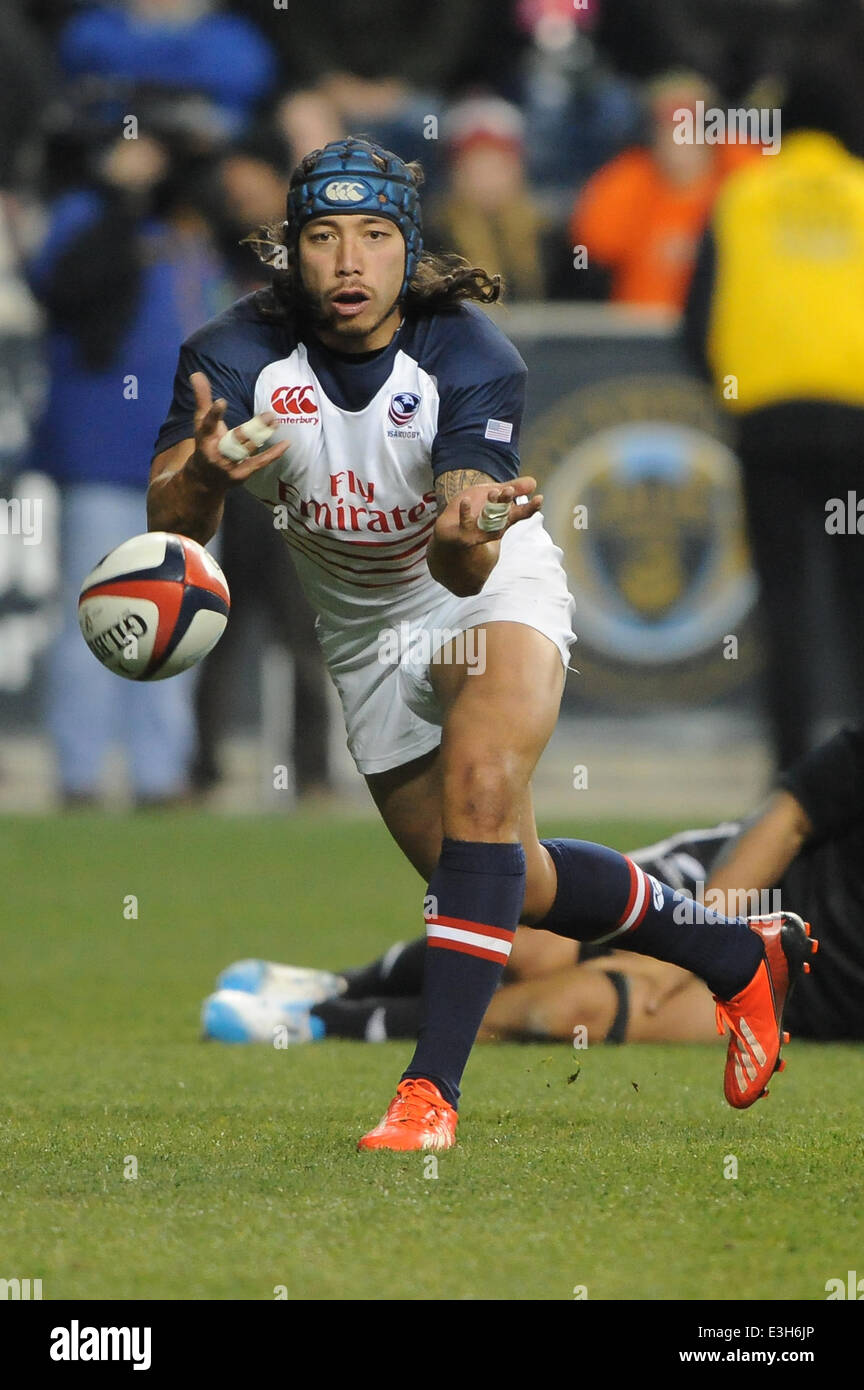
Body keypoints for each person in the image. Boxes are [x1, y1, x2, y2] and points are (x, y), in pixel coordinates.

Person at [148, 135, 815, 1151]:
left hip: (484, 590)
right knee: (516, 878)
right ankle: (733, 954)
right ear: (291, 249)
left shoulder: (468, 356)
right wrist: (203, 473)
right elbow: (172, 524)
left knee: (483, 792)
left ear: (408, 249)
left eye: (375, 236)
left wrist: (468, 537)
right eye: (323, 237)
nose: (349, 262)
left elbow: (465, 558)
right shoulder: (231, 355)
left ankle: (430, 1095)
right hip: (364, 637)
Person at [684, 57, 864, 769]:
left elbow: (694, 321)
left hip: (769, 428)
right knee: (858, 603)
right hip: (857, 425)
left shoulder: (741, 197)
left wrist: (735, 391)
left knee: (785, 601)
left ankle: (791, 775)